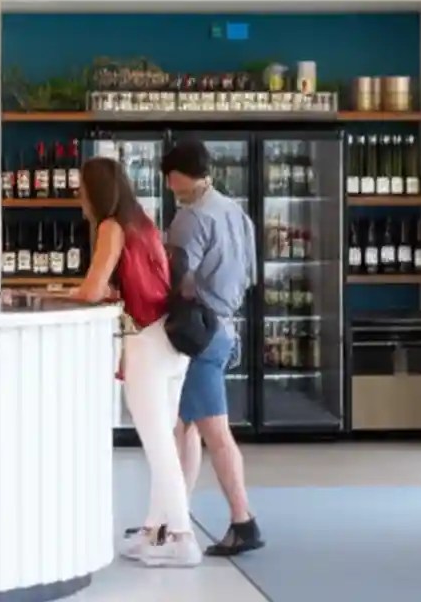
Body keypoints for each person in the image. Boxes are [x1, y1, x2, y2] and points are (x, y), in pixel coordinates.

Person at [69, 157, 202, 568]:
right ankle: (152, 530)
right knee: (164, 437)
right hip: (172, 340)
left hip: (146, 343)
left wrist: (57, 292)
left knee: (158, 445)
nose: (78, 195)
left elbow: (92, 290)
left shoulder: (111, 227)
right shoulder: (141, 221)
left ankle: (182, 537)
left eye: (81, 188)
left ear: (95, 191)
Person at [160, 139, 263, 557]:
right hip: (225, 327)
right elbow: (252, 274)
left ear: (179, 175)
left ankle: (244, 520)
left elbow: (173, 278)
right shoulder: (236, 212)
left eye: (170, 178)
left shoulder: (190, 217)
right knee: (184, 425)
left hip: (198, 332)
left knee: (216, 434)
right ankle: (175, 519)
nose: (169, 186)